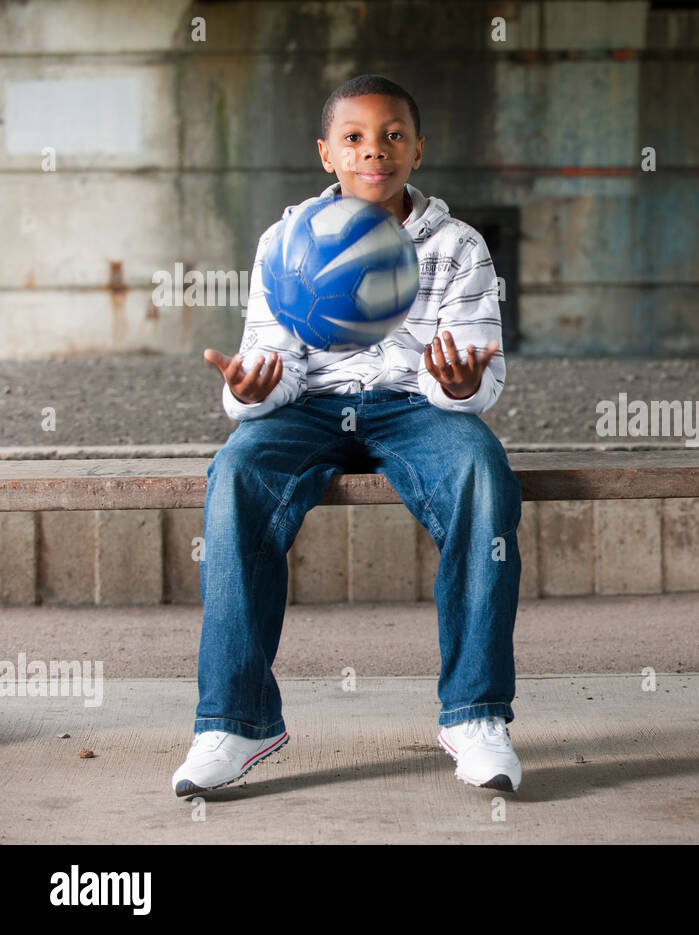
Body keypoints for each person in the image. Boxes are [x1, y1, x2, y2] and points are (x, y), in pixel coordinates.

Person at [171, 75, 523, 796]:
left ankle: (474, 713)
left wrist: (458, 385)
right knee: (237, 471)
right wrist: (253, 389)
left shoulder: (457, 246)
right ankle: (236, 721)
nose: (375, 150)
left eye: (393, 134)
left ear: (418, 148)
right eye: (355, 137)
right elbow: (275, 358)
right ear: (327, 153)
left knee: (482, 471)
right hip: (311, 404)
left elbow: (479, 370)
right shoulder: (287, 240)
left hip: (415, 403)